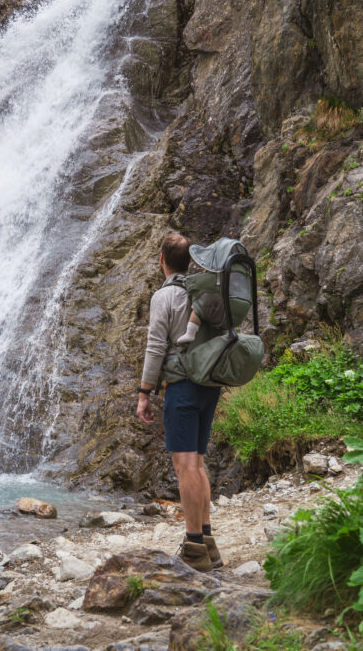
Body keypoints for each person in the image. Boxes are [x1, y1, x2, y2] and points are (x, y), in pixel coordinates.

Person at [136, 231, 223, 572]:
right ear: (190, 261)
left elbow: (156, 347)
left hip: (182, 386)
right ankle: (208, 541)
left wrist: (145, 392)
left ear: (162, 260)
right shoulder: (204, 291)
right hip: (208, 384)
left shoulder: (165, 296)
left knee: (185, 465)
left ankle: (193, 547)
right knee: (198, 463)